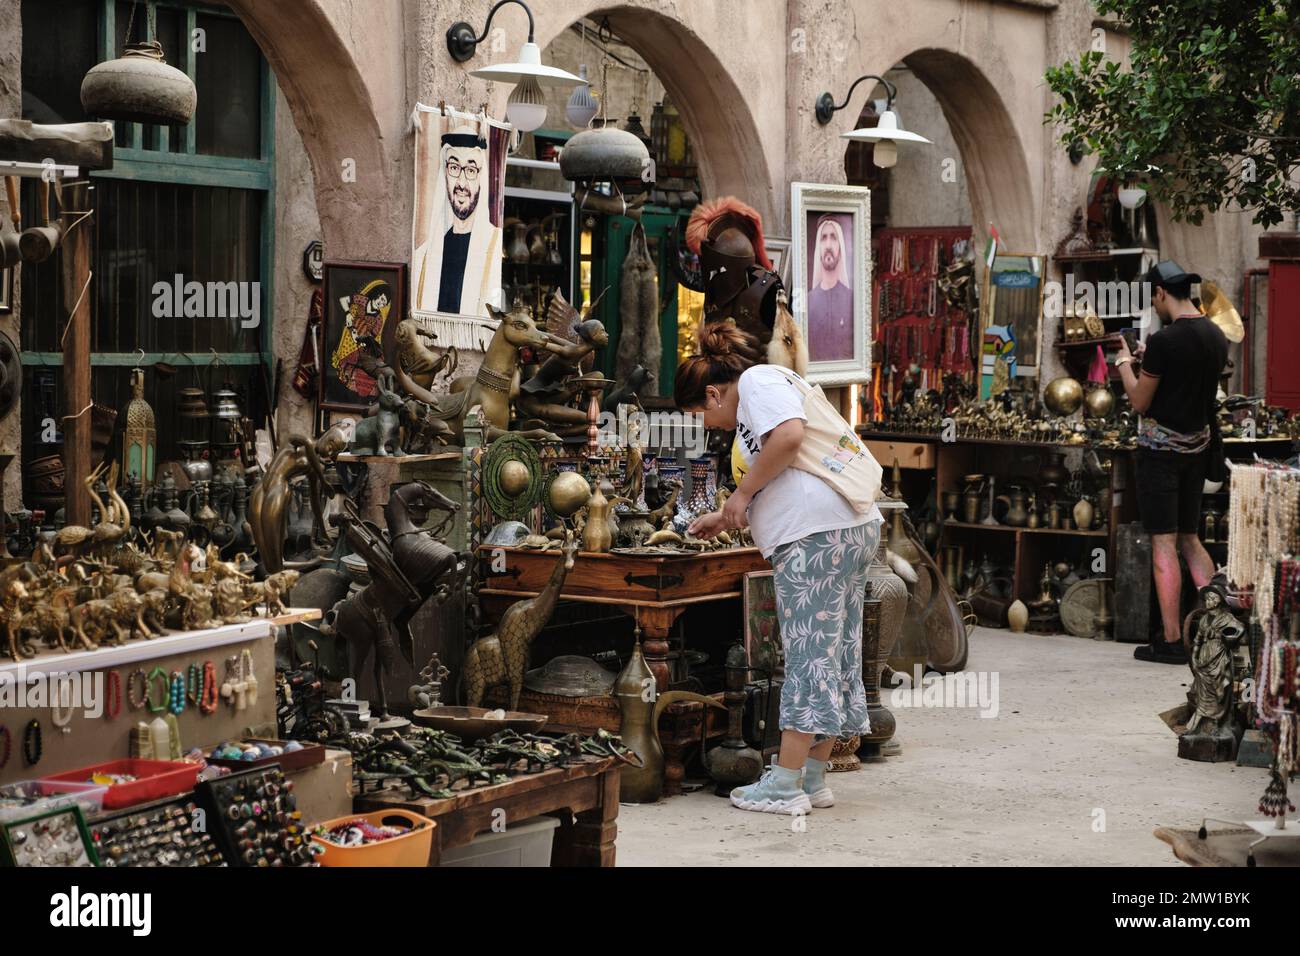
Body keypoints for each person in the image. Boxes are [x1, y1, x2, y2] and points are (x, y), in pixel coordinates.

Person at [676, 323, 883, 814]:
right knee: (830, 653)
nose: (711, 427)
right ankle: (812, 778)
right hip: (838, 530)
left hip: (817, 537)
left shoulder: (756, 383)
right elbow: (782, 466)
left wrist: (743, 495)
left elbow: (789, 438)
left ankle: (786, 783)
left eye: (702, 414)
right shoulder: (766, 388)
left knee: (810, 655)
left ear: (712, 392)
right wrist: (730, 511)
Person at [1115, 260, 1228, 664]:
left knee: (1164, 542)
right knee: (1190, 537)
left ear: (1162, 293)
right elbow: (1186, 380)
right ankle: (1220, 626)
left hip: (1161, 456)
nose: (1154, 304)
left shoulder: (1165, 341)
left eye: (1154, 297)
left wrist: (1126, 365)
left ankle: (1171, 640)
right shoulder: (1216, 335)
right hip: (1197, 451)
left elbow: (1141, 400)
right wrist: (1150, 362)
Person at [413, 124, 499, 317]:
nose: (461, 183)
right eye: (454, 168)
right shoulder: (426, 255)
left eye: (470, 170)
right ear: (445, 176)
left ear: (481, 177)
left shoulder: (493, 245)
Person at [806, 214, 854, 362]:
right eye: (823, 238)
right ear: (818, 247)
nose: (828, 245)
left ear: (840, 247)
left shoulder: (852, 299)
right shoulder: (808, 300)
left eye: (833, 237)